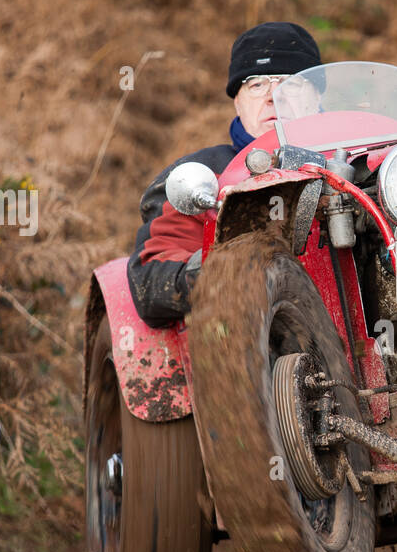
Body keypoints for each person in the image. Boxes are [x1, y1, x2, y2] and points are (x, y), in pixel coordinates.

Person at [127, 22, 322, 327]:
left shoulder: (370, 159)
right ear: (237, 103)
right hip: (258, 346)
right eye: (256, 85)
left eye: (290, 83)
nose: (273, 96)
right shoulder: (205, 175)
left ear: (317, 97)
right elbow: (150, 279)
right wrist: (222, 272)